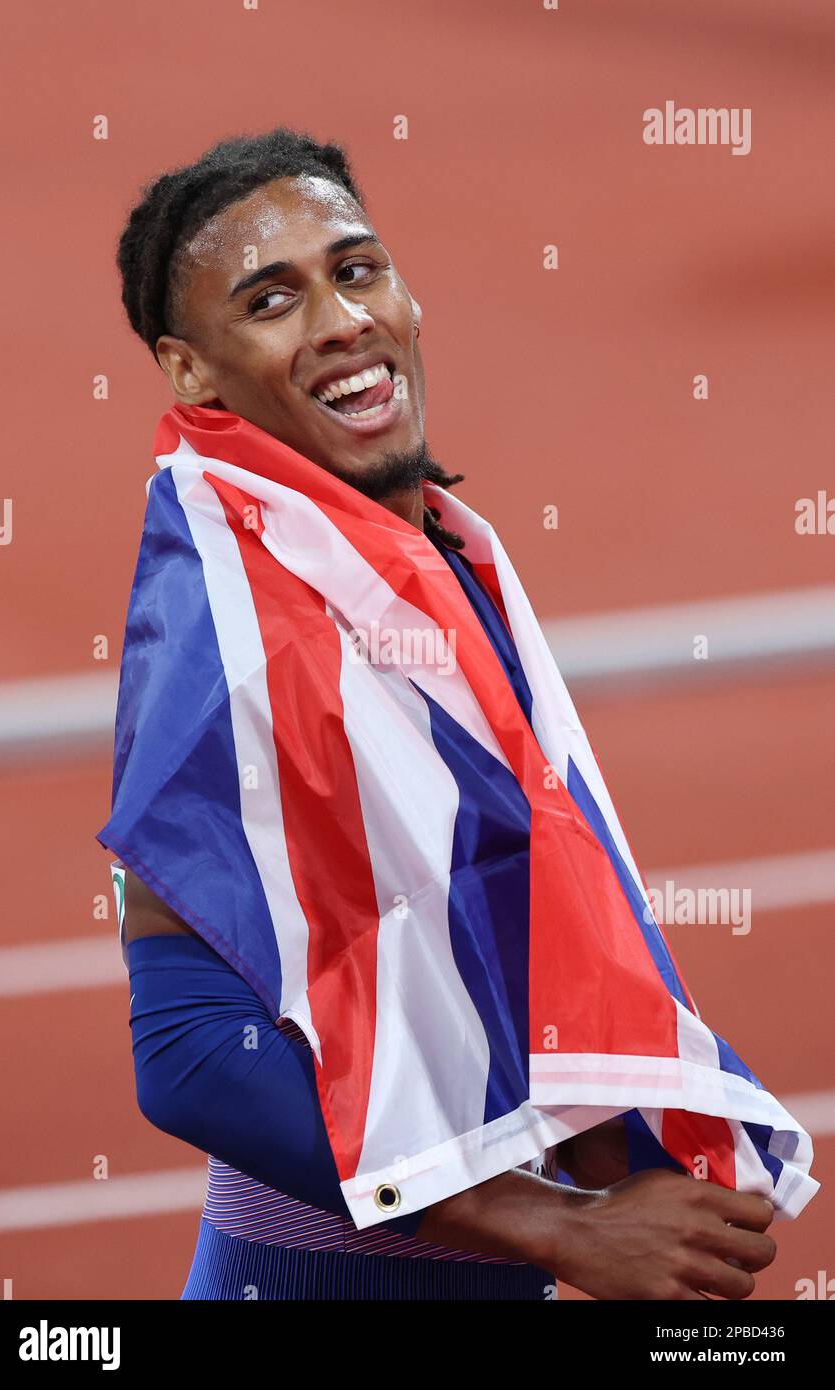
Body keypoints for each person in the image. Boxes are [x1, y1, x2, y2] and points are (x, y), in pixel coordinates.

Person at [100, 128, 788, 1301]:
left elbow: (477, 917)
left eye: (356, 270)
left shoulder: (433, 562)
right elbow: (192, 1056)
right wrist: (560, 1227)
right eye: (271, 299)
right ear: (188, 371)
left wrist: (624, 1144)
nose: (340, 320)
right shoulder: (234, 628)